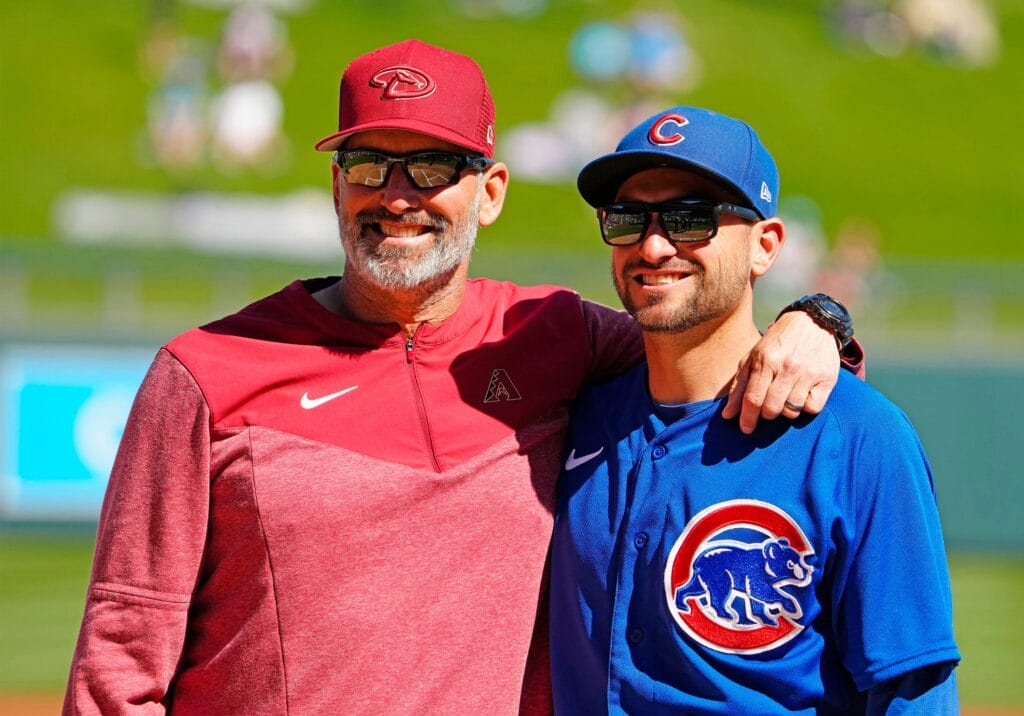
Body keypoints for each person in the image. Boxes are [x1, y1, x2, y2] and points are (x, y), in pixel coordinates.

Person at [64, 42, 860, 714]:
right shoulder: (205, 372)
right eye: (370, 165)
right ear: (337, 185)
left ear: (491, 192)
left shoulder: (557, 335)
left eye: (434, 166)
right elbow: (122, 653)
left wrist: (817, 323)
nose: (398, 197)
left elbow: (710, 346)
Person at [550, 105, 959, 713]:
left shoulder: (858, 436)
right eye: (628, 219)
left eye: (690, 220)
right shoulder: (571, 413)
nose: (654, 244)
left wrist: (823, 319)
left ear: (764, 246)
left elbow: (911, 692)